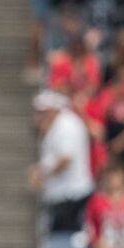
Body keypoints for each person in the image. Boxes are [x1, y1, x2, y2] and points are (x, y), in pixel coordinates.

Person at [30, 90, 95, 232]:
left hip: (71, 195)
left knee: (64, 241)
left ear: (53, 110)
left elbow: (66, 160)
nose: (38, 117)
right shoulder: (58, 125)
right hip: (63, 194)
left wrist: (42, 172)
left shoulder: (66, 126)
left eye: (42, 112)